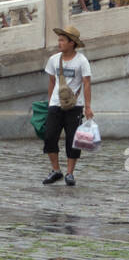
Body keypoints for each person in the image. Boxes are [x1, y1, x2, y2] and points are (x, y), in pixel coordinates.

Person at [42, 25, 93, 187]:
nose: (59, 43)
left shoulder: (81, 60)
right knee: (49, 136)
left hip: (74, 106)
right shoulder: (54, 60)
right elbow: (51, 81)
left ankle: (70, 173)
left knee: (73, 140)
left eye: (62, 40)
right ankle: (56, 170)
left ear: (72, 43)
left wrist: (87, 106)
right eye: (59, 40)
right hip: (55, 105)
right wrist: (50, 102)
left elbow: (86, 83)